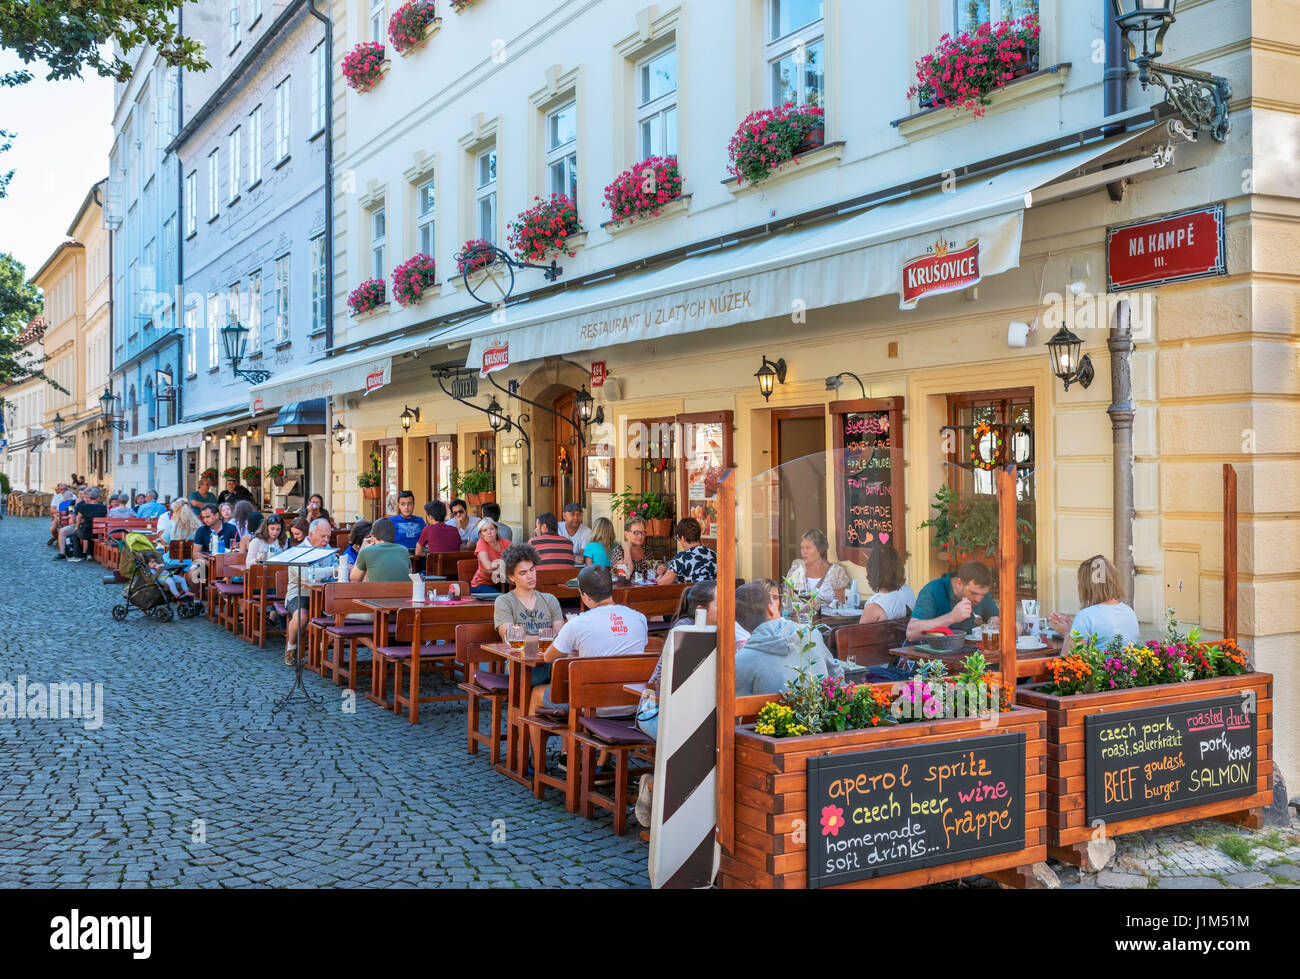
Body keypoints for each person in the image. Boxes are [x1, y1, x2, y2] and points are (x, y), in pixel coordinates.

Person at [534, 565, 649, 712]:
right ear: (611, 589)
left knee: (536, 693)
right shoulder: (638, 617)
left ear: (585, 595)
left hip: (593, 706)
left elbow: (548, 657)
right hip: (633, 702)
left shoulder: (577, 623)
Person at [734, 580, 841, 696]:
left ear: (740, 623)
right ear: (770, 608)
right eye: (773, 599)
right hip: (820, 707)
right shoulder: (812, 634)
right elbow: (837, 678)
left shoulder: (740, 661)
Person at [1050, 555, 1141, 648]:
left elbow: (1070, 656)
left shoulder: (1085, 616)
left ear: (1086, 586)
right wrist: (1072, 630)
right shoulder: (1129, 611)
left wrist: (1067, 634)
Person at [284, 518, 339, 665]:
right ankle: (291, 647)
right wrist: (332, 570)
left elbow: (336, 568)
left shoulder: (328, 549)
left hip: (323, 595)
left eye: (328, 536)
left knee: (342, 617)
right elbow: (308, 576)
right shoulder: (297, 552)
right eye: (323, 536)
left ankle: (320, 649)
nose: (326, 540)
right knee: (302, 617)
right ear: (311, 534)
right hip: (299, 594)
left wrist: (337, 570)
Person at [907, 559, 999, 643]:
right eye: (973, 593)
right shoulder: (933, 590)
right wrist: (951, 617)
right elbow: (911, 633)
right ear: (959, 583)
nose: (978, 599)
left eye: (983, 594)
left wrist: (995, 624)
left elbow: (997, 619)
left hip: (968, 652)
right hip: (932, 653)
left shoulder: (982, 594)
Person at [493, 543, 564, 640]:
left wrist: (525, 637)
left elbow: (560, 638)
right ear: (511, 577)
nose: (530, 576)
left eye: (532, 570)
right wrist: (548, 637)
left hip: (547, 650)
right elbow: (511, 638)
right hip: (519, 651)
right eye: (523, 573)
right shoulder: (504, 601)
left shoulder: (550, 599)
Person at [785, 528, 850, 604]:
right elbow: (787, 602)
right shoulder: (795, 572)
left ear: (820, 549)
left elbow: (842, 604)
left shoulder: (836, 572)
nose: (803, 551)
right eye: (802, 548)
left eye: (808, 547)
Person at [858, 543, 916, 624]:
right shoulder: (908, 592)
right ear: (899, 567)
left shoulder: (874, 607)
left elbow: (860, 632)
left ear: (872, 570)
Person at [348, 517, 413, 582]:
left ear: (372, 536)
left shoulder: (366, 551)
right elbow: (409, 573)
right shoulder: (404, 550)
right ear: (394, 535)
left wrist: (362, 549)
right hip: (403, 588)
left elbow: (354, 579)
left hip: (377, 589)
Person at [657, 517, 717, 584]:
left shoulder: (682, 558)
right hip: (713, 590)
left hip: (694, 590)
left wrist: (660, 574)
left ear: (683, 538)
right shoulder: (713, 554)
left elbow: (662, 584)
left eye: (678, 539)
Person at [59, 487, 107, 562]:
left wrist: (79, 523)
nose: (86, 499)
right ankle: (62, 553)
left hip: (88, 528)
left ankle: (78, 554)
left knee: (78, 533)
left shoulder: (97, 505)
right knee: (63, 531)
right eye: (84, 497)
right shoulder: (79, 504)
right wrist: (73, 517)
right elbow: (73, 514)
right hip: (87, 527)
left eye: (88, 497)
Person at [469, 518, 506, 597]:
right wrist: (502, 563)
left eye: (492, 529)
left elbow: (517, 562)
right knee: (502, 598)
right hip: (481, 584)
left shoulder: (506, 543)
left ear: (496, 530)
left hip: (501, 583)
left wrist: (498, 564)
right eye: (485, 530)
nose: (489, 532)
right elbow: (488, 566)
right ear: (481, 534)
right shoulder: (481, 543)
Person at [609, 515, 651, 579]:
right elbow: (626, 574)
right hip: (623, 585)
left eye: (642, 532)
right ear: (626, 534)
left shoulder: (647, 550)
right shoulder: (619, 550)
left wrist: (658, 571)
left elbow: (651, 574)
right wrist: (627, 550)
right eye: (636, 532)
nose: (640, 536)